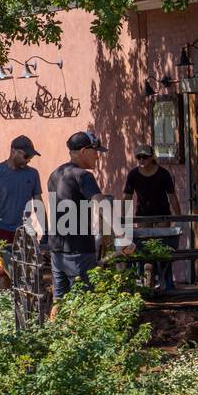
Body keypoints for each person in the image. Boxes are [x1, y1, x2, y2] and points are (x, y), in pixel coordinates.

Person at [47, 130, 115, 317]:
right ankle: (82, 343)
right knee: (84, 303)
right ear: (84, 150)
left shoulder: (55, 174)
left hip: (57, 250)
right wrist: (123, 236)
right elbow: (101, 203)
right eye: (95, 151)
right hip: (79, 250)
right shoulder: (83, 176)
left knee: (59, 301)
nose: (97, 156)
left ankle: (52, 340)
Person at [0, 135, 44, 289]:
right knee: (5, 274)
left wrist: (44, 231)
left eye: (31, 157)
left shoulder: (32, 174)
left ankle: (25, 308)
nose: (28, 160)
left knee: (27, 271)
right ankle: (5, 307)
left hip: (23, 230)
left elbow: (38, 204)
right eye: (26, 156)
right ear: (14, 151)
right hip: (0, 229)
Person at [123, 143, 181, 290]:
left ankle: (167, 281)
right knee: (143, 249)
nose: (142, 160)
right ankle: (145, 282)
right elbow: (127, 197)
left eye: (145, 157)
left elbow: (172, 196)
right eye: (138, 157)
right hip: (143, 215)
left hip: (162, 214)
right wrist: (123, 219)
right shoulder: (133, 175)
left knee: (163, 248)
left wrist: (179, 218)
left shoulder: (163, 174)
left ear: (151, 157)